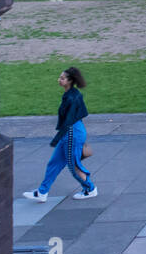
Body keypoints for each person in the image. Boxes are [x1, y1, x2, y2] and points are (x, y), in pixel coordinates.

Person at [23, 67, 97, 201]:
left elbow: (68, 120)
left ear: (70, 81)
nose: (59, 80)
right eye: (60, 77)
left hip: (71, 133)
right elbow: (82, 113)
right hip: (73, 131)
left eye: (62, 78)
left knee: (73, 166)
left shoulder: (71, 97)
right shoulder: (73, 94)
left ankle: (90, 189)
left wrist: (56, 139)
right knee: (54, 163)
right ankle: (42, 192)